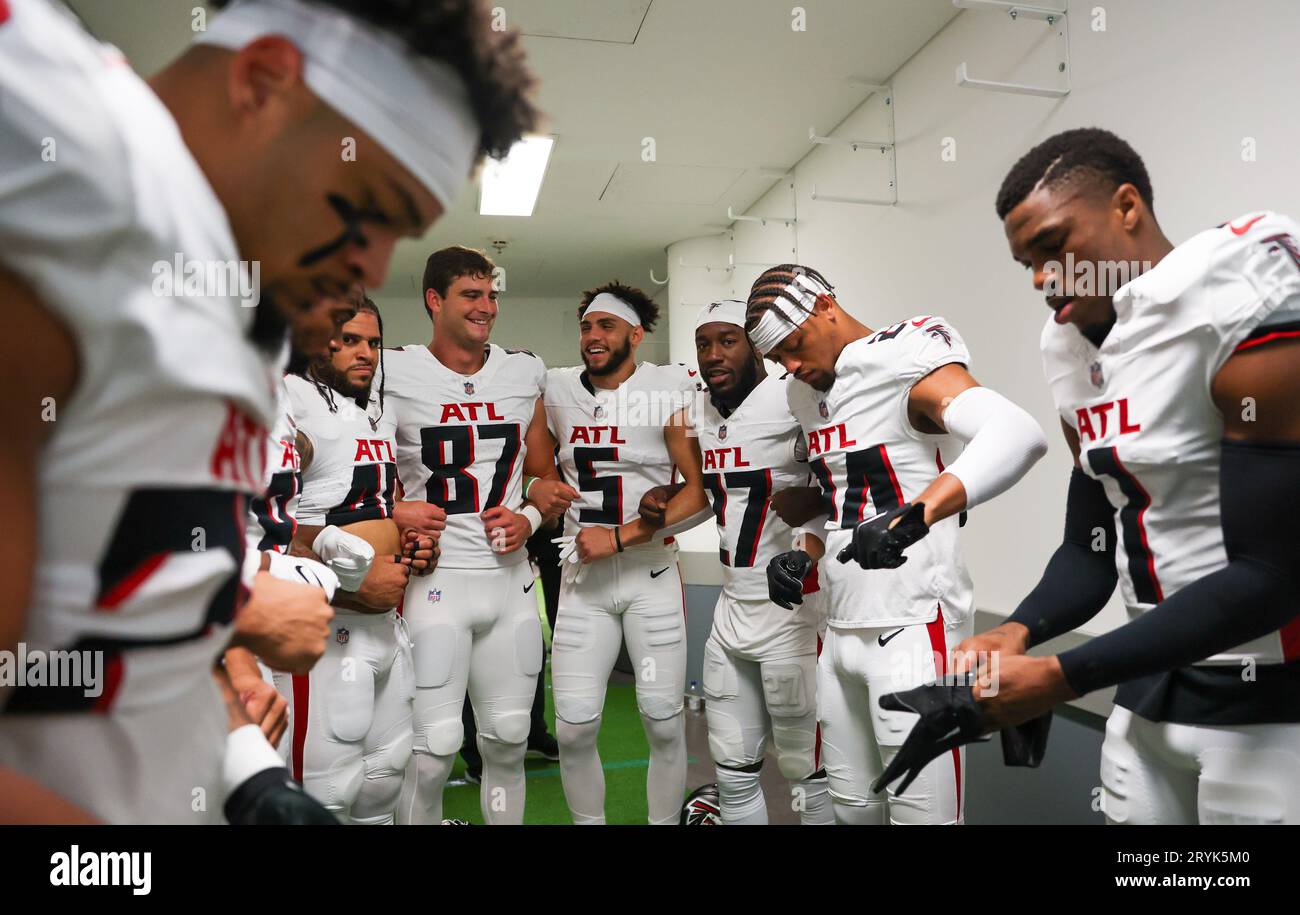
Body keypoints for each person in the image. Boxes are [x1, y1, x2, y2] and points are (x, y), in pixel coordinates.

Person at [0, 0, 537, 822]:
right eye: (367, 207)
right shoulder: (69, 150)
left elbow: (121, 601)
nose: (370, 264)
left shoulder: (243, 289)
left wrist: (247, 767)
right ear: (262, 82)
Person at [925, 128, 1300, 824]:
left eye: (1053, 245)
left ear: (1127, 206)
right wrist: (1020, 631)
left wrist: (1062, 675)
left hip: (1270, 711)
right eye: (1025, 263)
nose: (1041, 278)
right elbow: (1090, 546)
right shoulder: (1068, 346)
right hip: (1145, 697)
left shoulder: (1238, 283)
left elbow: (1274, 574)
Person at [746, 264, 1047, 824]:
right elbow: (842, 495)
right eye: (776, 359)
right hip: (838, 629)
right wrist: (806, 551)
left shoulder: (902, 354)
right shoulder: (802, 393)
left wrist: (913, 518)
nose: (790, 366)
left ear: (825, 307)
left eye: (793, 346)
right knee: (851, 810)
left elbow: (1017, 433)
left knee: (924, 819)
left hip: (914, 625)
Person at [387, 246, 574, 825]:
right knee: (433, 749)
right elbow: (361, 470)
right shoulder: (395, 372)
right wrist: (397, 511)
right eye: (472, 294)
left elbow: (546, 475)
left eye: (492, 295)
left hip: (511, 583)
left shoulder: (523, 371)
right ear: (434, 300)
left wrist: (531, 517)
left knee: (509, 738)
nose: (487, 306)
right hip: (433, 582)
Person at [638, 300, 833, 825]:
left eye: (727, 341)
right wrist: (660, 499)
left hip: (793, 608)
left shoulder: (796, 397)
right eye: (703, 344)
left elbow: (838, 486)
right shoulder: (698, 409)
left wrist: (809, 529)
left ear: (756, 346)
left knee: (804, 767)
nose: (713, 354)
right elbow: (703, 493)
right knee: (732, 766)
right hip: (730, 608)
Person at [541, 282, 708, 825]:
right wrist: (535, 493)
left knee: (662, 718)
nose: (592, 336)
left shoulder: (668, 389)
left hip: (648, 573)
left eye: (605, 326)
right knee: (573, 725)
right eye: (586, 326)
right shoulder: (556, 389)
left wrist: (621, 535)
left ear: (635, 334)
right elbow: (534, 470)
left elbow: (699, 490)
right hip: (581, 582)